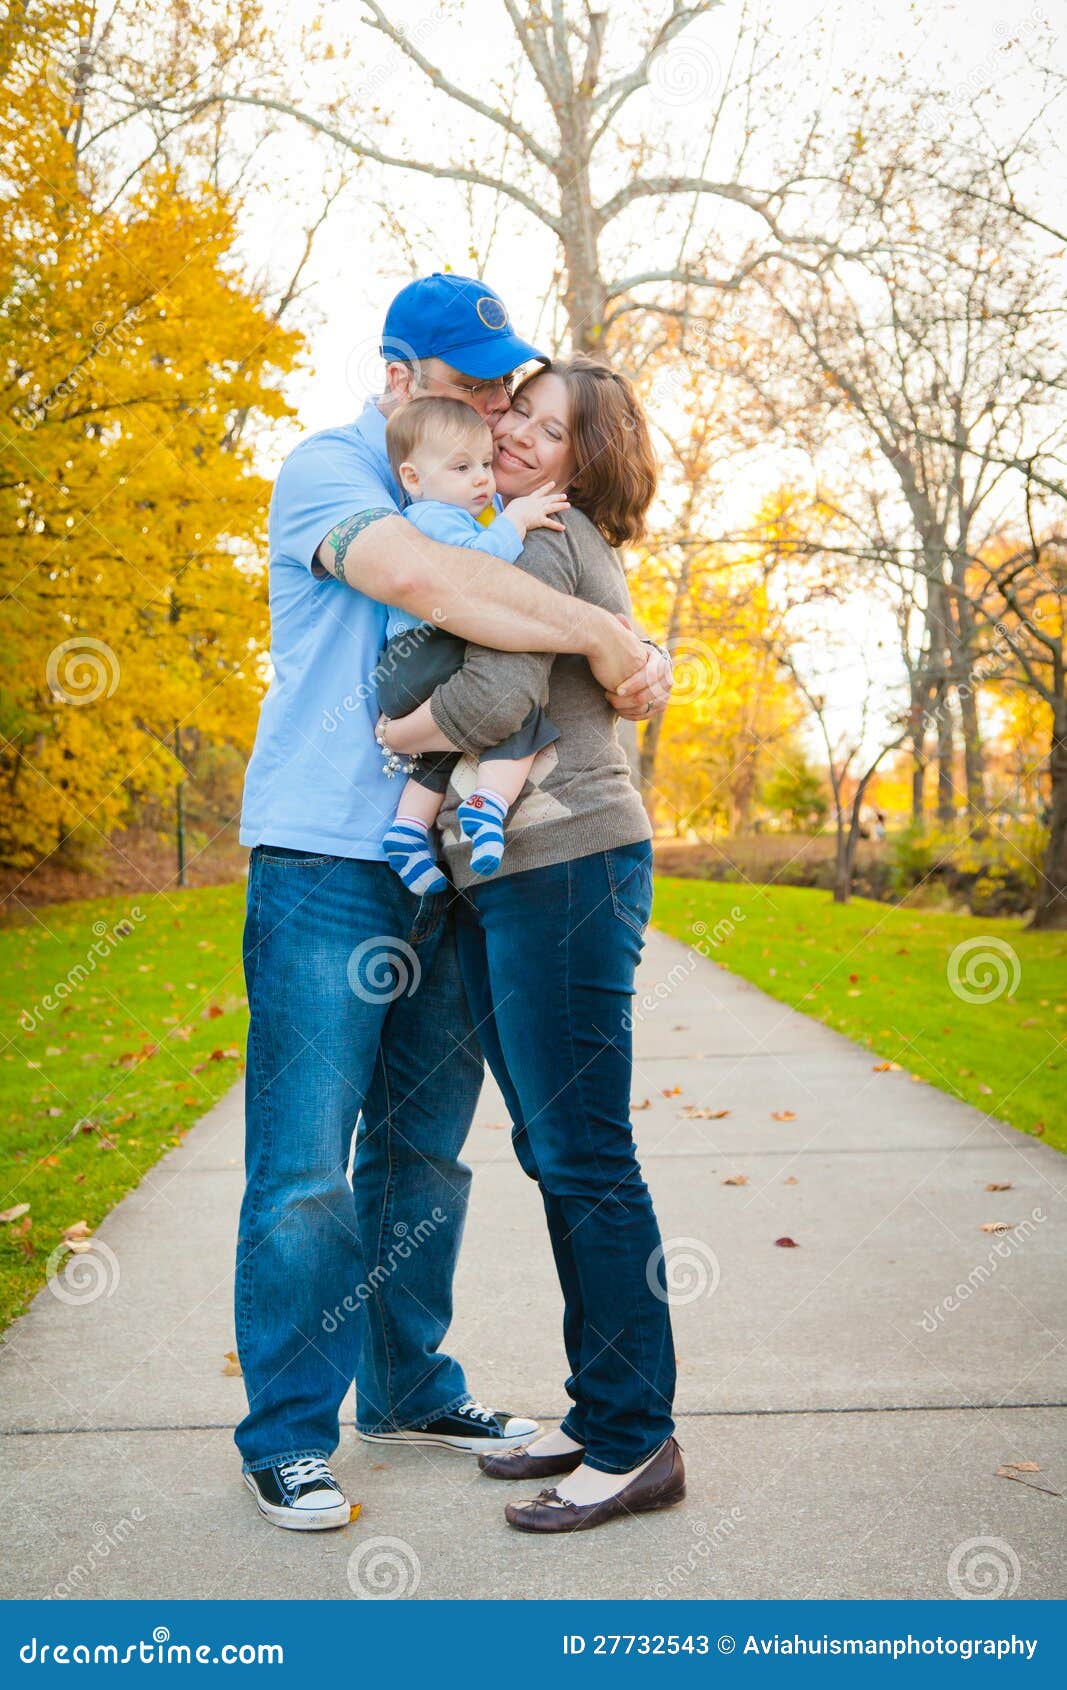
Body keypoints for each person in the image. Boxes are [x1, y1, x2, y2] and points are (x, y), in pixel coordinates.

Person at [235, 274, 673, 1531]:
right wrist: (607, 642)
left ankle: (410, 1389)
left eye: (503, 385)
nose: (491, 404)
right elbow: (448, 592)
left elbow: (563, 566)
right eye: (468, 381)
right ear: (394, 372)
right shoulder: (329, 470)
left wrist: (626, 641)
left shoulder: (486, 479)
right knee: (307, 1166)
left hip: (457, 880)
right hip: (327, 858)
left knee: (423, 1151)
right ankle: (286, 1434)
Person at [379, 355, 685, 1534]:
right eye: (521, 419)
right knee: (558, 1148)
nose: (518, 442)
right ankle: (603, 1404)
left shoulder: (547, 539)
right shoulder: (522, 528)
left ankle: (636, 1438)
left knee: (584, 1151)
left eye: (549, 433)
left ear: (583, 458)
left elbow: (500, 692)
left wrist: (403, 728)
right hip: (537, 872)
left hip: (565, 863)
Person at [375, 395, 569, 894]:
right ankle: (487, 805)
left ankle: (408, 832)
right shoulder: (432, 520)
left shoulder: (448, 513)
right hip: (426, 651)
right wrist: (517, 519)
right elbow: (478, 571)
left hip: (407, 671)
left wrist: (503, 509)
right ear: (414, 479)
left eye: (485, 463)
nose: (482, 478)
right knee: (518, 710)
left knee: (439, 753)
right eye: (462, 467)